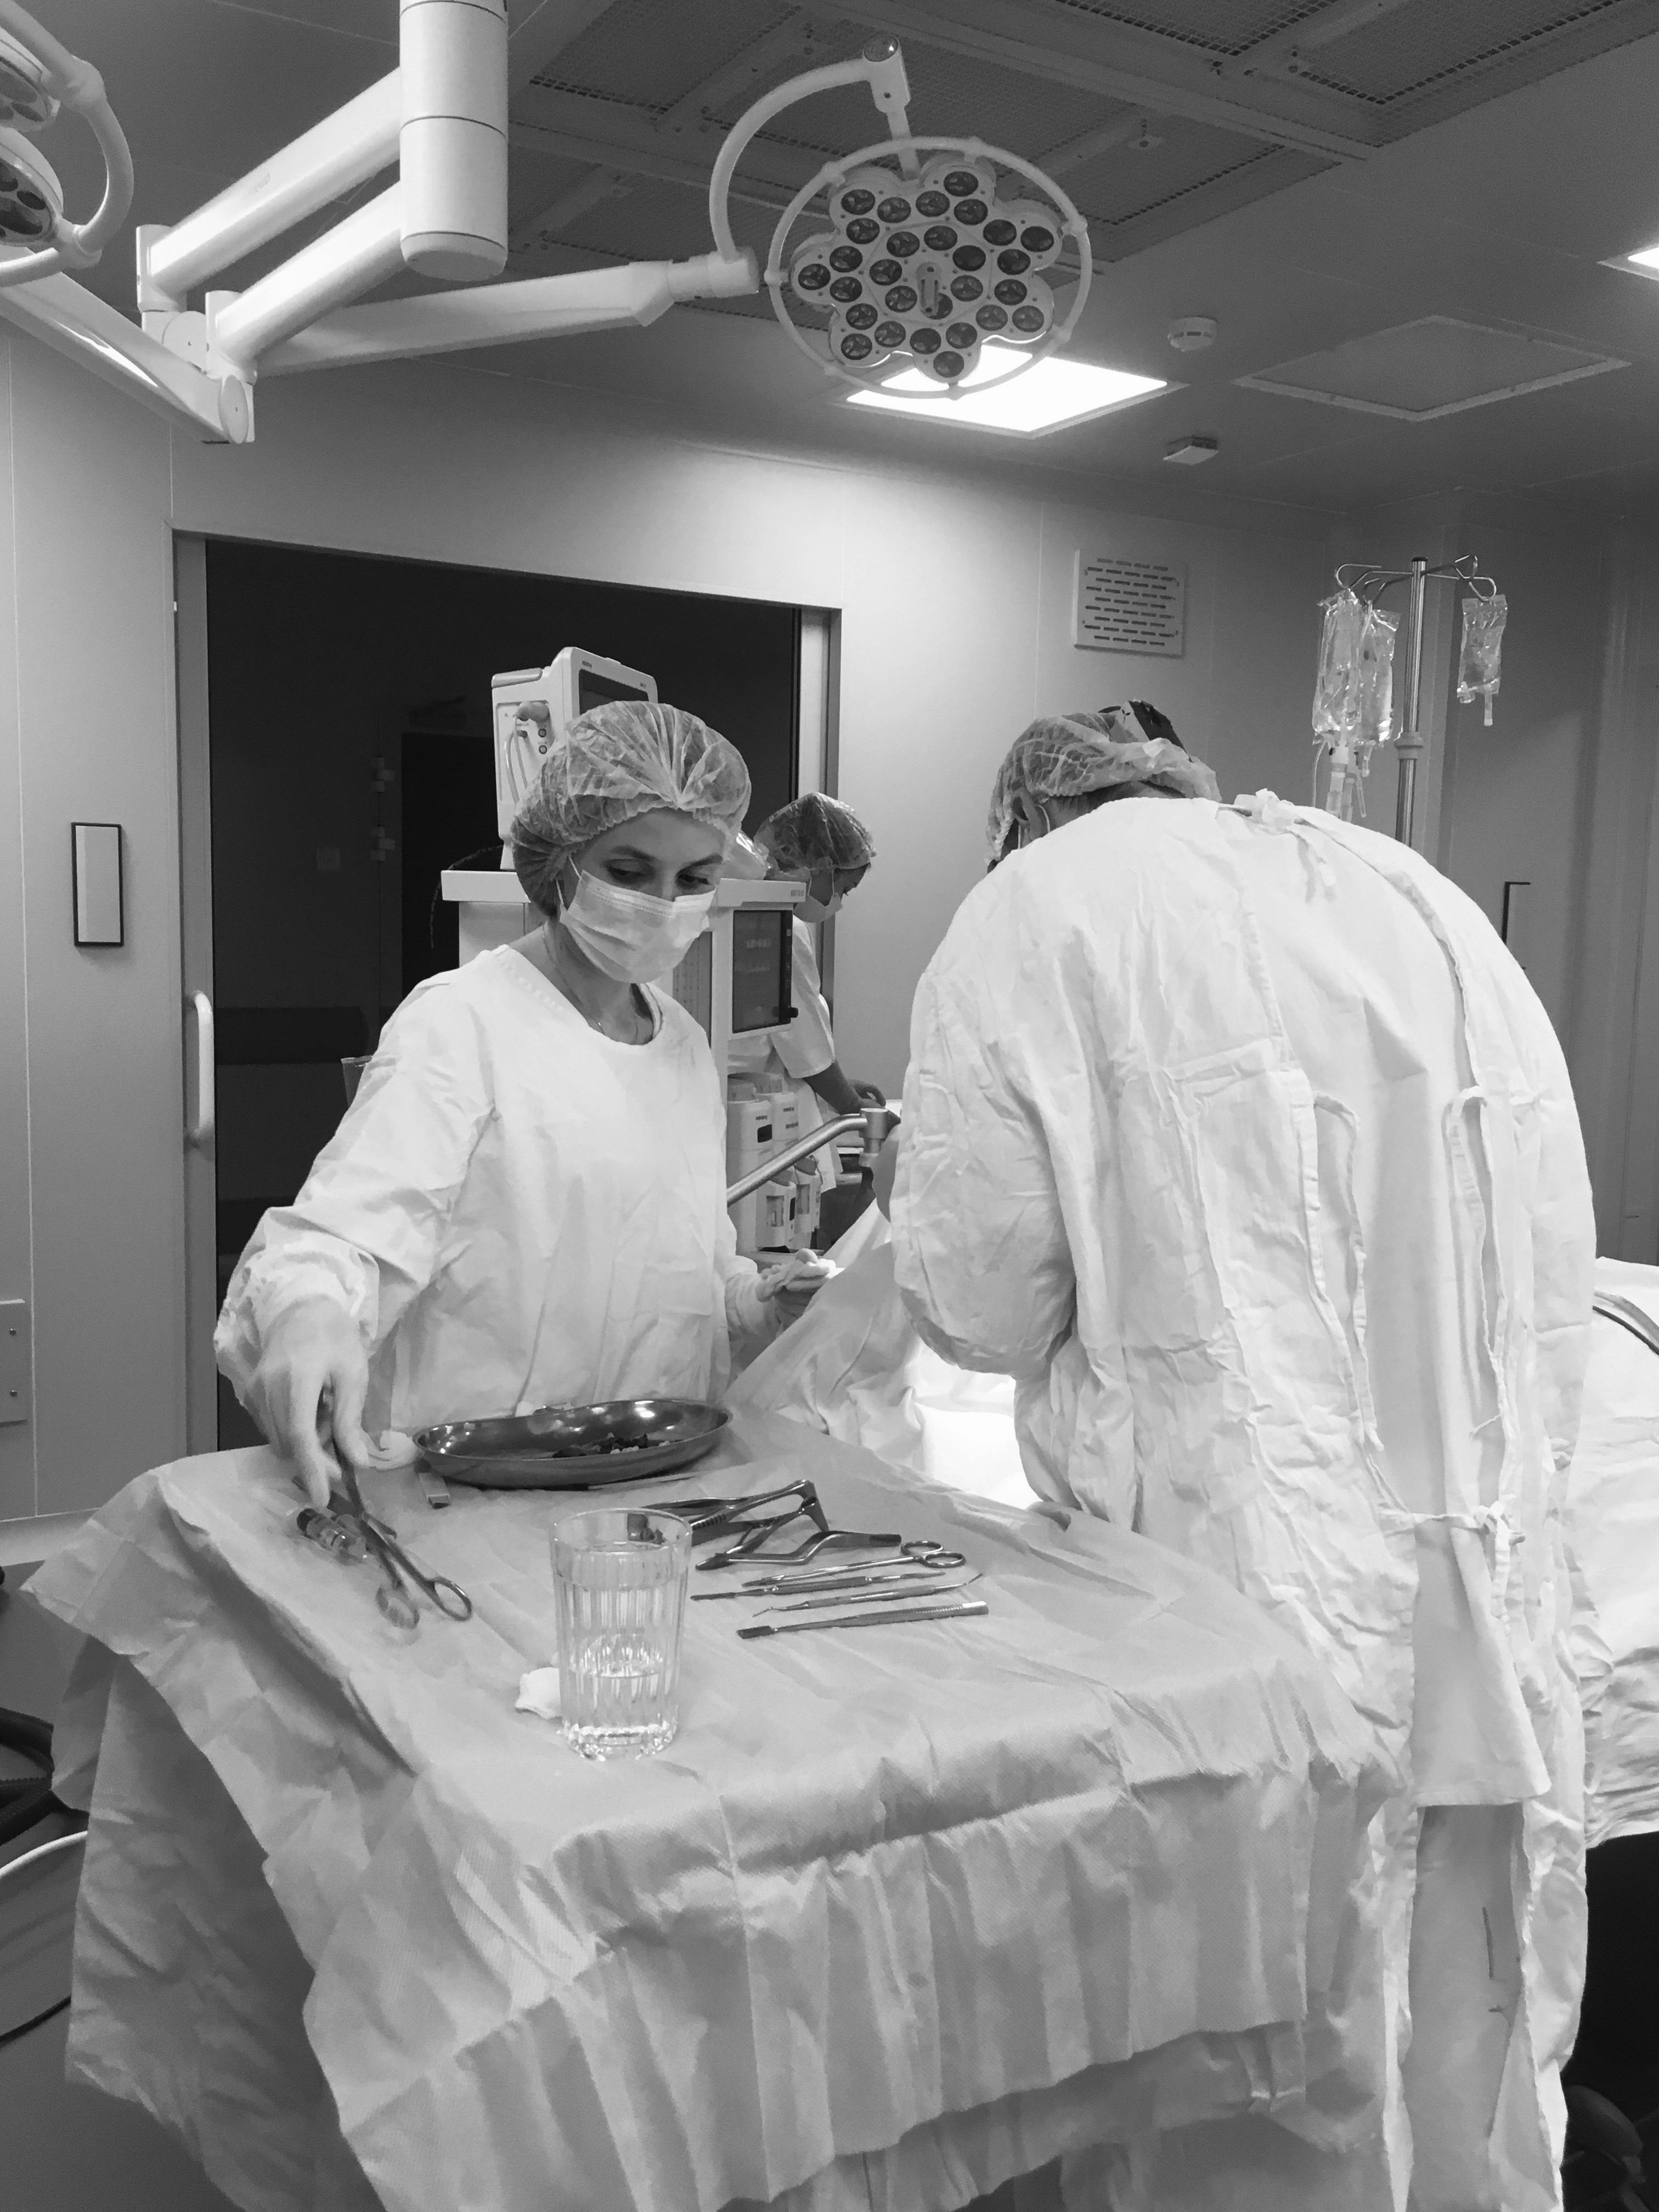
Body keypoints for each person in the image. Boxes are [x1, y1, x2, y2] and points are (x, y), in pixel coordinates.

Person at [889, 708, 1595, 2212]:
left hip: (1238, 1566)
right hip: (1487, 1568)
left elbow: (979, 1300)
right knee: (1464, 1988)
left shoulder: (1032, 911)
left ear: (1020, 819)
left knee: (1256, 2029)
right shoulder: (1415, 888)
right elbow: (1548, 1257)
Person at [218, 701, 821, 1508]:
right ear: (557, 862)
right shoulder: (463, 1021)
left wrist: (760, 1301)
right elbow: (344, 1235)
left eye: (696, 880)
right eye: (631, 872)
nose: (663, 903)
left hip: (650, 1490)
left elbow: (687, 1275)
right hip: (471, 1493)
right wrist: (307, 1310)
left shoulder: (678, 1040)